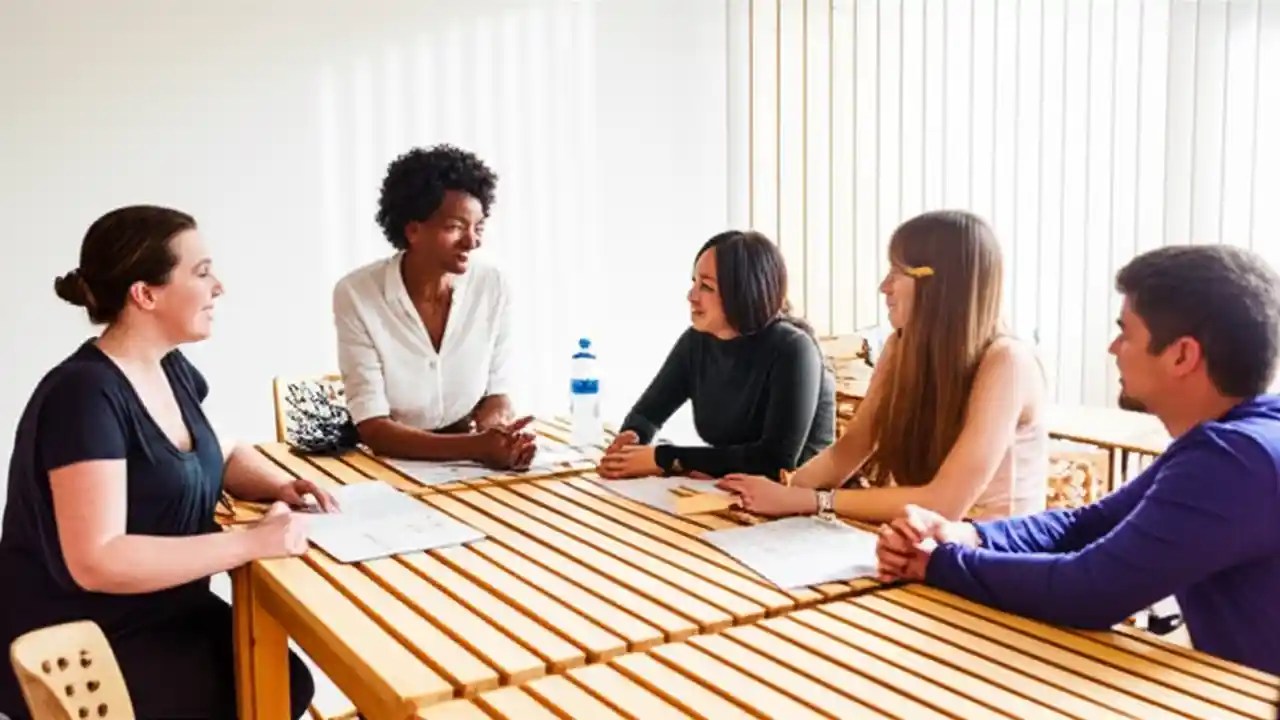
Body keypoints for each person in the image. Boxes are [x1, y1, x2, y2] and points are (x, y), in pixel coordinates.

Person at [876, 244, 1280, 676]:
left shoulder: (1233, 461)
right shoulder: (1244, 437)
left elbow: (1092, 590)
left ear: (1182, 355)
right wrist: (964, 535)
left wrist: (938, 563)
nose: (1113, 348)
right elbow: (1088, 524)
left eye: (1126, 332)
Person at [0, 206, 329, 719]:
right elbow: (97, 559)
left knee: (286, 681)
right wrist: (248, 544)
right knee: (263, 691)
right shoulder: (84, 396)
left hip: (166, 610)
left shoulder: (168, 367)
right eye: (201, 272)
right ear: (145, 294)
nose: (218, 286)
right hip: (86, 639)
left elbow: (209, 451)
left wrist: (280, 485)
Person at [717, 210, 1048, 522]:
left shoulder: (1008, 363)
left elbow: (944, 504)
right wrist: (778, 493)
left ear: (940, 285)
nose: (884, 287)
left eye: (896, 272)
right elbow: (849, 450)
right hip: (919, 551)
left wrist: (812, 501)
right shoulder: (900, 348)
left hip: (991, 565)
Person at [333, 144, 535, 469]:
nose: (472, 242)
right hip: (388, 467)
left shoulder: (493, 285)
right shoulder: (357, 294)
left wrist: (500, 432)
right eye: (455, 227)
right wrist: (475, 447)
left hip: (467, 469)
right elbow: (373, 428)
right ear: (412, 230)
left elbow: (496, 392)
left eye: (478, 227)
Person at [598, 230, 835, 481]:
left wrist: (665, 458)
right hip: (730, 495)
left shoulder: (794, 349)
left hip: (799, 504)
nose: (691, 296)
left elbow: (774, 461)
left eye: (706, 287)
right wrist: (633, 438)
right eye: (694, 282)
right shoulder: (696, 342)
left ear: (744, 292)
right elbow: (647, 414)